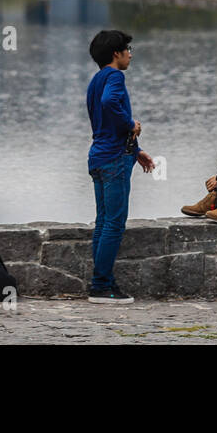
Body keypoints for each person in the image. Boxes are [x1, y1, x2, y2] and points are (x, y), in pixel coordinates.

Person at [84, 30, 154, 303]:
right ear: (117, 53)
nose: (130, 54)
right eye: (127, 49)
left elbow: (104, 122)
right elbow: (110, 103)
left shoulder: (95, 80)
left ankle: (103, 281)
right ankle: (101, 286)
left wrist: (136, 151)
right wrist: (132, 125)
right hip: (113, 160)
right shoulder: (115, 76)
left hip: (99, 157)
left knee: (103, 222)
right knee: (114, 224)